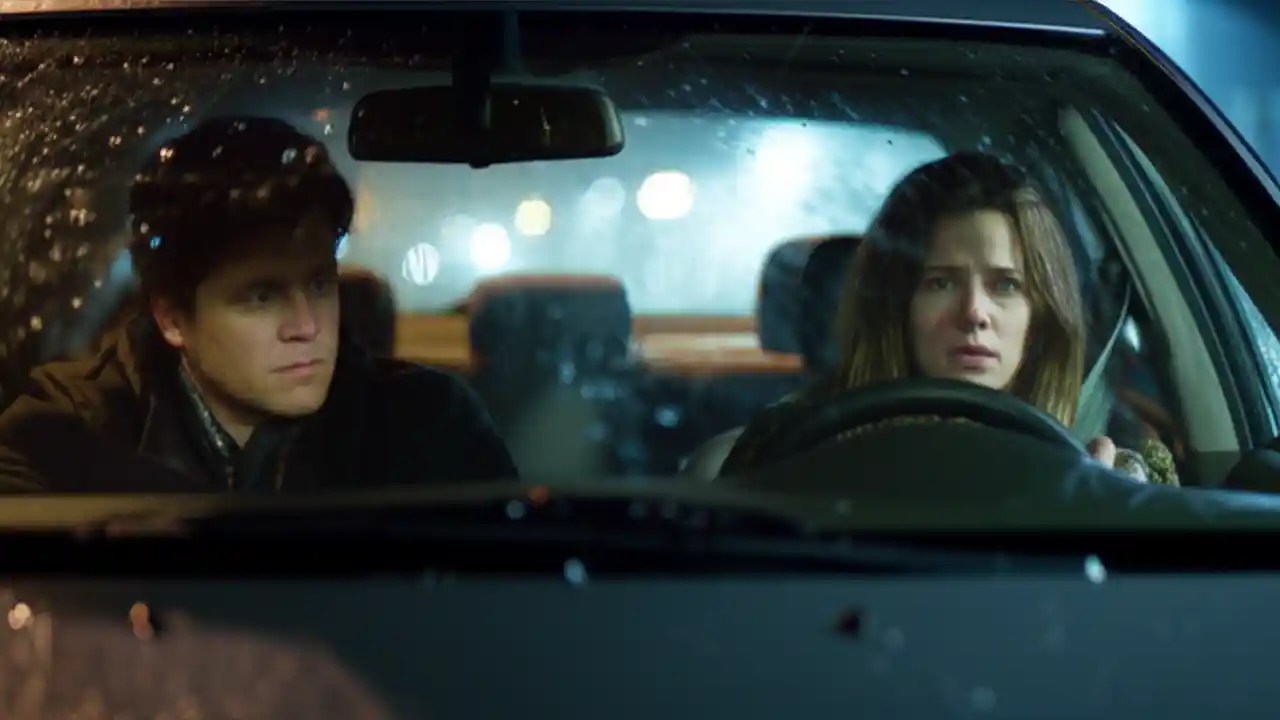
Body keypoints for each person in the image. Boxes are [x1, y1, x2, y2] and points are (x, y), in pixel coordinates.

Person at [0, 116, 517, 491]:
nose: (306, 326)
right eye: (262, 296)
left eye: (320, 284)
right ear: (172, 317)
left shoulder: (427, 428)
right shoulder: (66, 434)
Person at [720, 151, 1178, 485]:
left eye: (1006, 286)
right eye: (940, 283)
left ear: (1042, 312)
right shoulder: (791, 443)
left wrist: (1106, 511)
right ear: (895, 303)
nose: (974, 312)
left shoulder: (1120, 460)